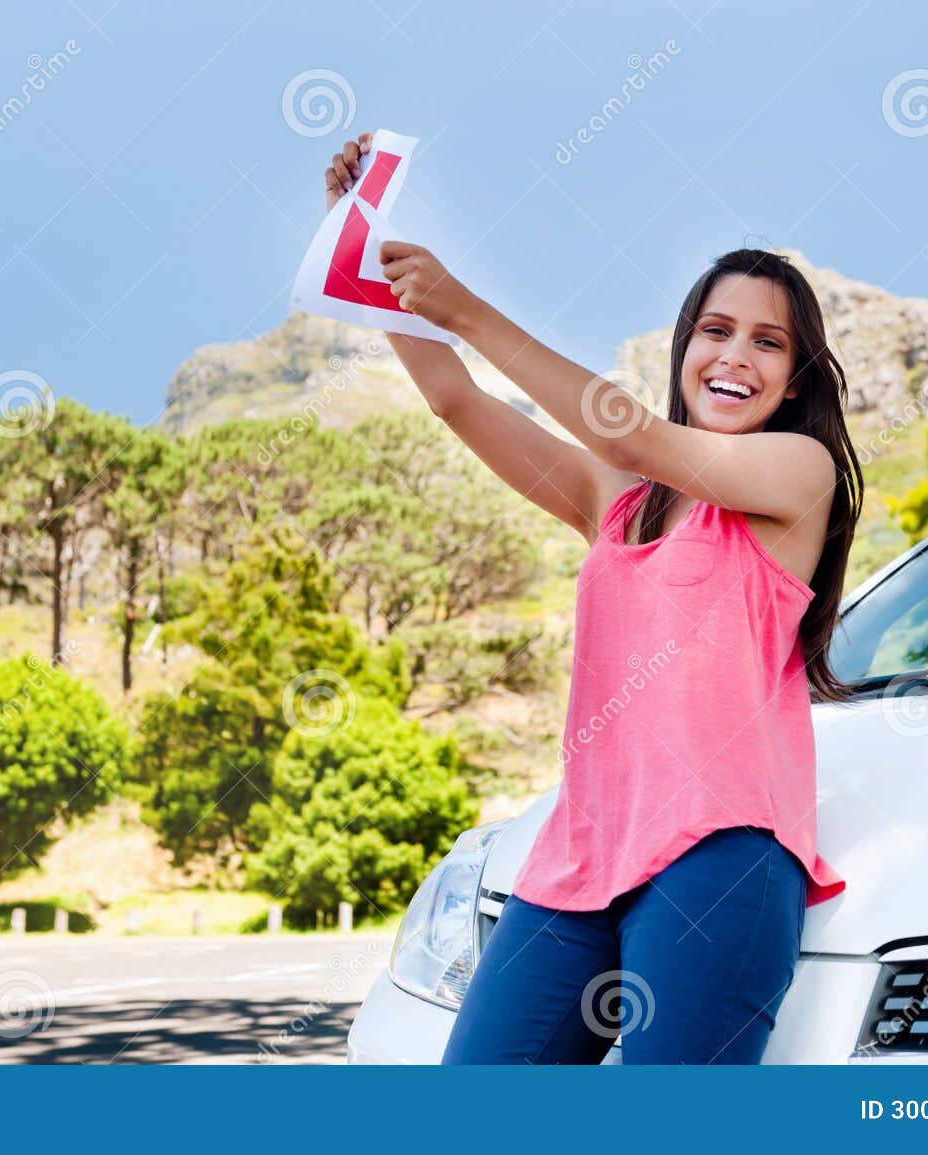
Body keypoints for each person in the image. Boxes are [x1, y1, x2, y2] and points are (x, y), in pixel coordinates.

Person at [322, 133, 864, 1064]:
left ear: (795, 377)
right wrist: (371, 254)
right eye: (716, 329)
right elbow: (453, 398)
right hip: (578, 854)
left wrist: (471, 308)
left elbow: (648, 438)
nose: (736, 355)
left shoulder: (797, 474)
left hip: (720, 857)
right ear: (686, 346)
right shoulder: (619, 501)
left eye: (769, 342)